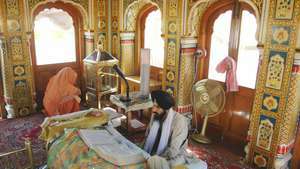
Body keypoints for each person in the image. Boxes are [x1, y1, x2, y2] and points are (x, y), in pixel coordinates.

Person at [144, 90, 201, 169]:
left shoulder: (179, 121)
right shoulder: (156, 115)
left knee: (164, 165)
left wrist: (156, 159)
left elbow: (173, 150)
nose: (153, 110)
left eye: (157, 107)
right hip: (155, 151)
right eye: (153, 106)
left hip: (174, 155)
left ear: (166, 109)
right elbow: (147, 137)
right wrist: (143, 152)